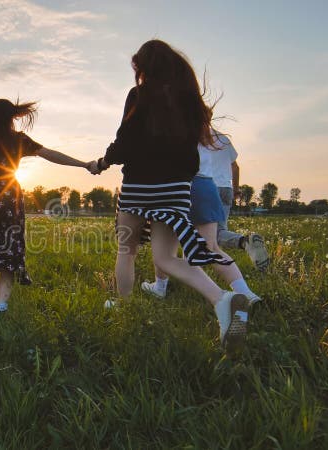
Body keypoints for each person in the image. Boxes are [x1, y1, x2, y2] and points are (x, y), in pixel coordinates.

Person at [91, 40, 250, 353]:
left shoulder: (140, 95)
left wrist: (103, 162)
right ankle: (223, 300)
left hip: (140, 187)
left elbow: (124, 141)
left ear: (145, 67)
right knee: (165, 257)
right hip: (177, 189)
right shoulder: (189, 101)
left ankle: (123, 304)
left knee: (127, 249)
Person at [0, 92, 93, 313]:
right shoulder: (19, 139)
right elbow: (50, 154)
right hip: (11, 197)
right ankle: (1, 307)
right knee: (11, 249)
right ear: (13, 117)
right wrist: (84, 164)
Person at [141, 131, 262, 305]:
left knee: (165, 250)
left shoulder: (167, 120)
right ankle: (247, 294)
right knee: (211, 248)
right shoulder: (206, 130)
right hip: (205, 184)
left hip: (175, 185)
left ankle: (160, 287)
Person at [209, 131, 269, 271]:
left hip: (207, 187)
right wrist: (235, 189)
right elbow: (235, 167)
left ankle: (244, 241)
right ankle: (246, 242)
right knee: (218, 231)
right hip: (225, 189)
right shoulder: (223, 138)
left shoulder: (197, 137)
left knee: (208, 233)